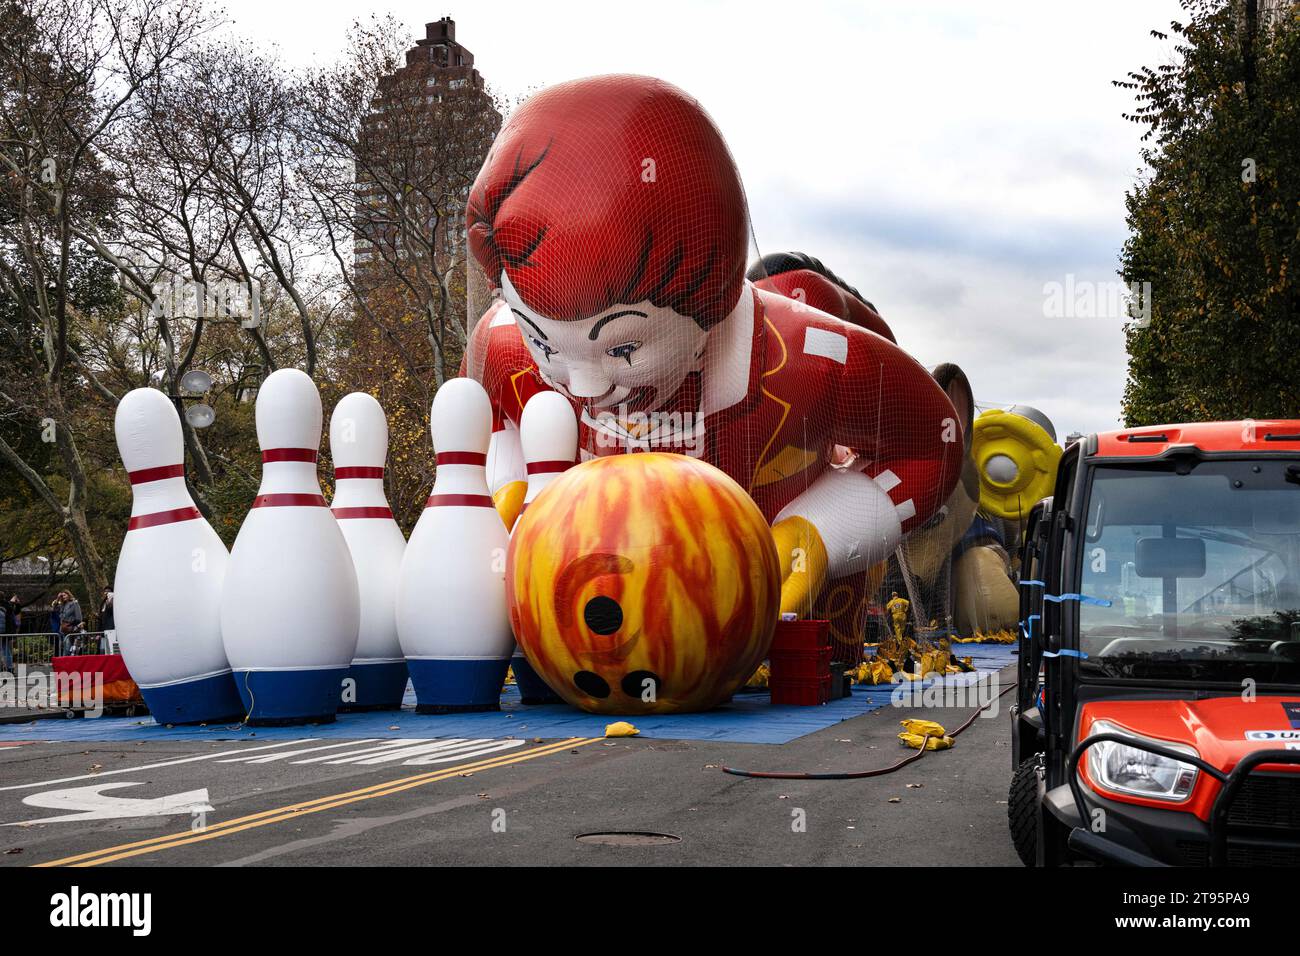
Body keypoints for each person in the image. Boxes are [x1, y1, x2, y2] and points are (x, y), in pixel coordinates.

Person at [57, 590, 84, 656]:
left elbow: (79, 617)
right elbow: (55, 609)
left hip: (71, 629)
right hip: (63, 629)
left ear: (69, 595)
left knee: (68, 649)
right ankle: (64, 662)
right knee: (65, 648)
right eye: (62, 595)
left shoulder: (74, 603)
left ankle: (65, 663)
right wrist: (58, 598)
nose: (63, 597)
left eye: (65, 595)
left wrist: (74, 626)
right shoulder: (62, 605)